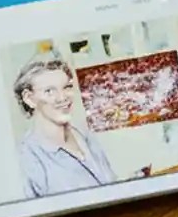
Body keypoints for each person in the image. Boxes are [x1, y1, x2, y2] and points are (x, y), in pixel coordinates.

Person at [12, 52, 117, 198]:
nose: (62, 98)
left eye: (67, 87)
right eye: (49, 91)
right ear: (29, 99)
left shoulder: (84, 134)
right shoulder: (27, 158)